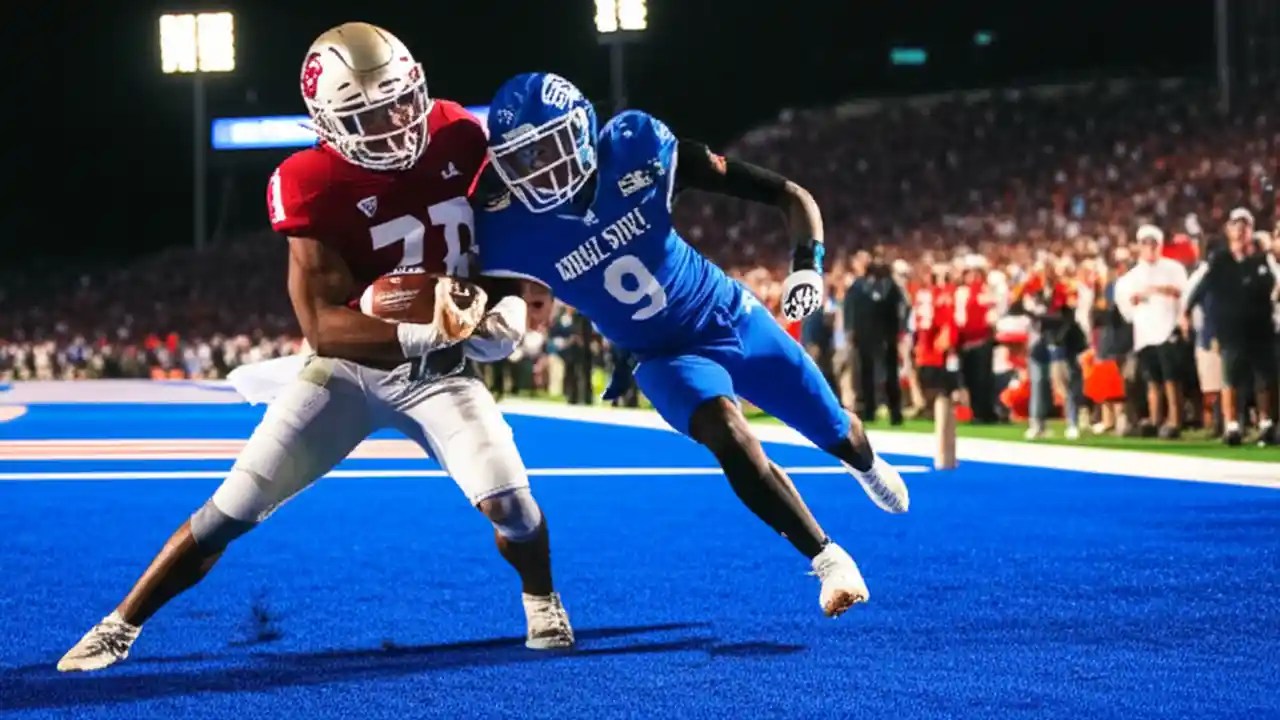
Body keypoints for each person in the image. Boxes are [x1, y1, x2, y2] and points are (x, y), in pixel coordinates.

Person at [57, 24, 574, 673]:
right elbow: (324, 326)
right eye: (369, 113)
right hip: (349, 373)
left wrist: (506, 307)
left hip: (439, 375)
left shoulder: (460, 135)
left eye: (400, 100)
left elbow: (504, 246)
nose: (394, 123)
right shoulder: (310, 180)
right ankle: (120, 624)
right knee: (231, 510)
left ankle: (543, 600)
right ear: (328, 121)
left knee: (514, 505)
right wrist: (430, 327)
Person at [474, 72, 909, 617]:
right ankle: (827, 559)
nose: (542, 170)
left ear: (583, 130)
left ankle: (862, 463)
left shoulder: (637, 150)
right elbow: (469, 281)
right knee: (728, 434)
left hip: (729, 314)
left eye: (550, 148)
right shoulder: (507, 229)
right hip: (659, 355)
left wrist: (806, 267)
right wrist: (505, 308)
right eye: (525, 159)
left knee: (837, 431)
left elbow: (786, 194)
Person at [1184, 208, 1278, 445]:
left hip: (1261, 328)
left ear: (1251, 230)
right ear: (1228, 229)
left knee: (1264, 379)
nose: (1240, 230)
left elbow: (1277, 285)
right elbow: (1197, 288)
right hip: (1231, 329)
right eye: (1236, 224)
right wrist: (1184, 313)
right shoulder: (1218, 260)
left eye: (1245, 225)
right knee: (1230, 379)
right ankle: (1232, 425)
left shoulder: (1262, 260)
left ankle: (1266, 423)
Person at [1115, 225, 1189, 439]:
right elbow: (1126, 308)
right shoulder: (1131, 277)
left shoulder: (1174, 269)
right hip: (1145, 333)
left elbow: (1184, 296)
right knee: (1152, 380)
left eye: (1153, 244)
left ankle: (1174, 421)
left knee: (1171, 379)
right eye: (1145, 244)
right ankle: (1155, 420)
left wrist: (1161, 293)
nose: (1150, 248)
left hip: (1168, 330)